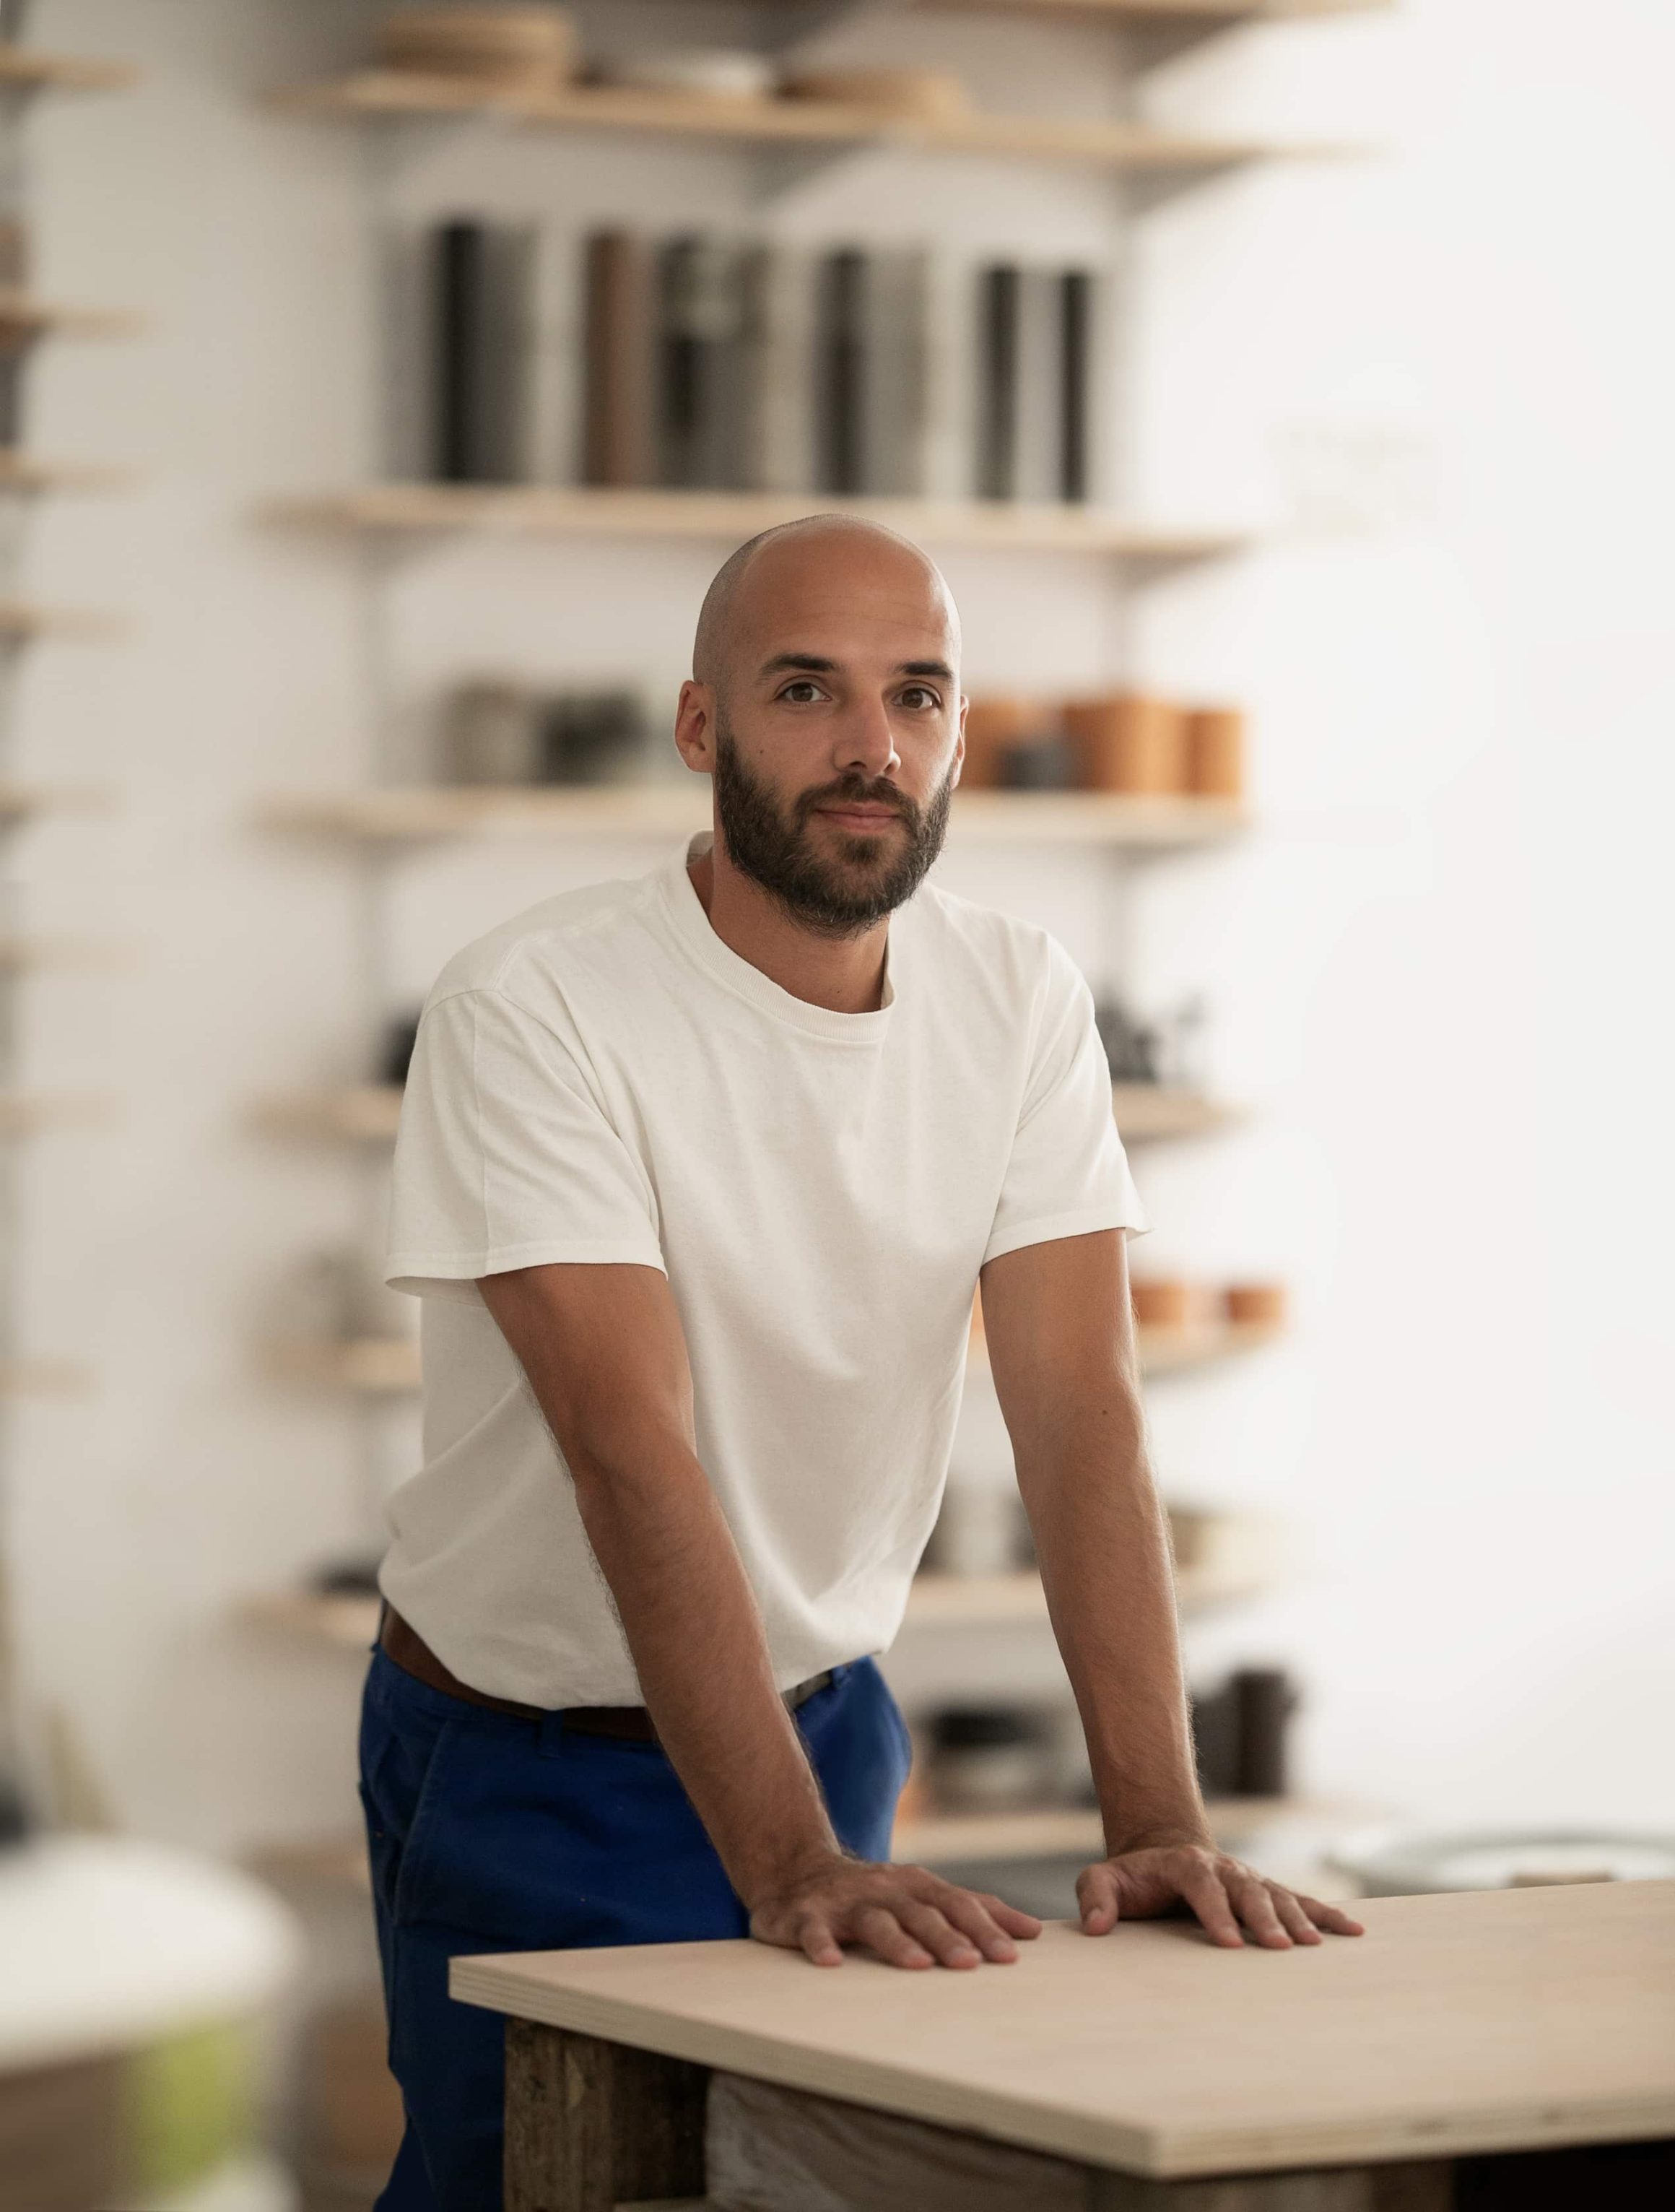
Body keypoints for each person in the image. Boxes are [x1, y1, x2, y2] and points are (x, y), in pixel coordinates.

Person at [359, 513, 1363, 2212]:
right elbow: (626, 1445)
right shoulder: (531, 1003)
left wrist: (1152, 1818)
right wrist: (786, 1863)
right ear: (700, 729)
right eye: (807, 690)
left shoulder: (1020, 993)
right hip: (536, 1759)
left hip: (830, 1725)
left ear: (959, 729)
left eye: (916, 694)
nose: (868, 747)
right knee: (526, 2191)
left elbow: (1076, 1419)